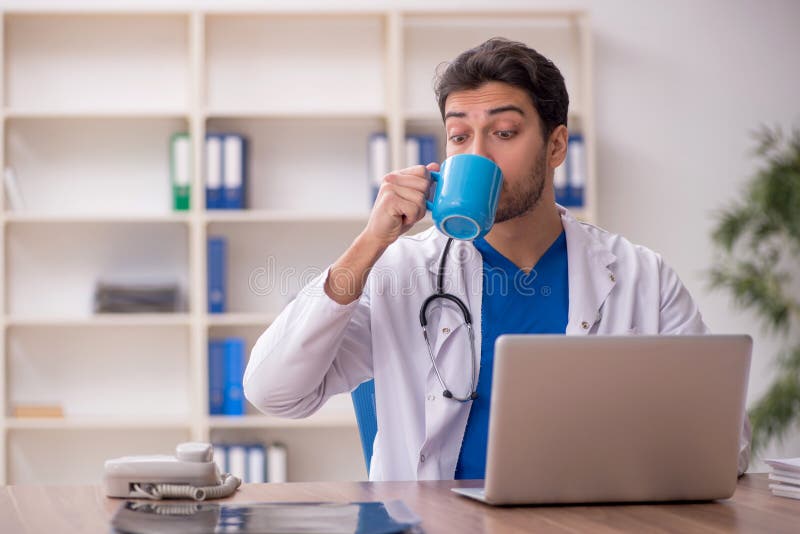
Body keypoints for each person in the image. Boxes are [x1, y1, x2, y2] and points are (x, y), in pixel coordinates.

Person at [244, 38, 750, 481]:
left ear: (555, 146)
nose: (478, 155)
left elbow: (727, 446)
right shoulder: (403, 273)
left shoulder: (643, 277)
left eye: (504, 133)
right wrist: (370, 243)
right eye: (460, 136)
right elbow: (275, 392)